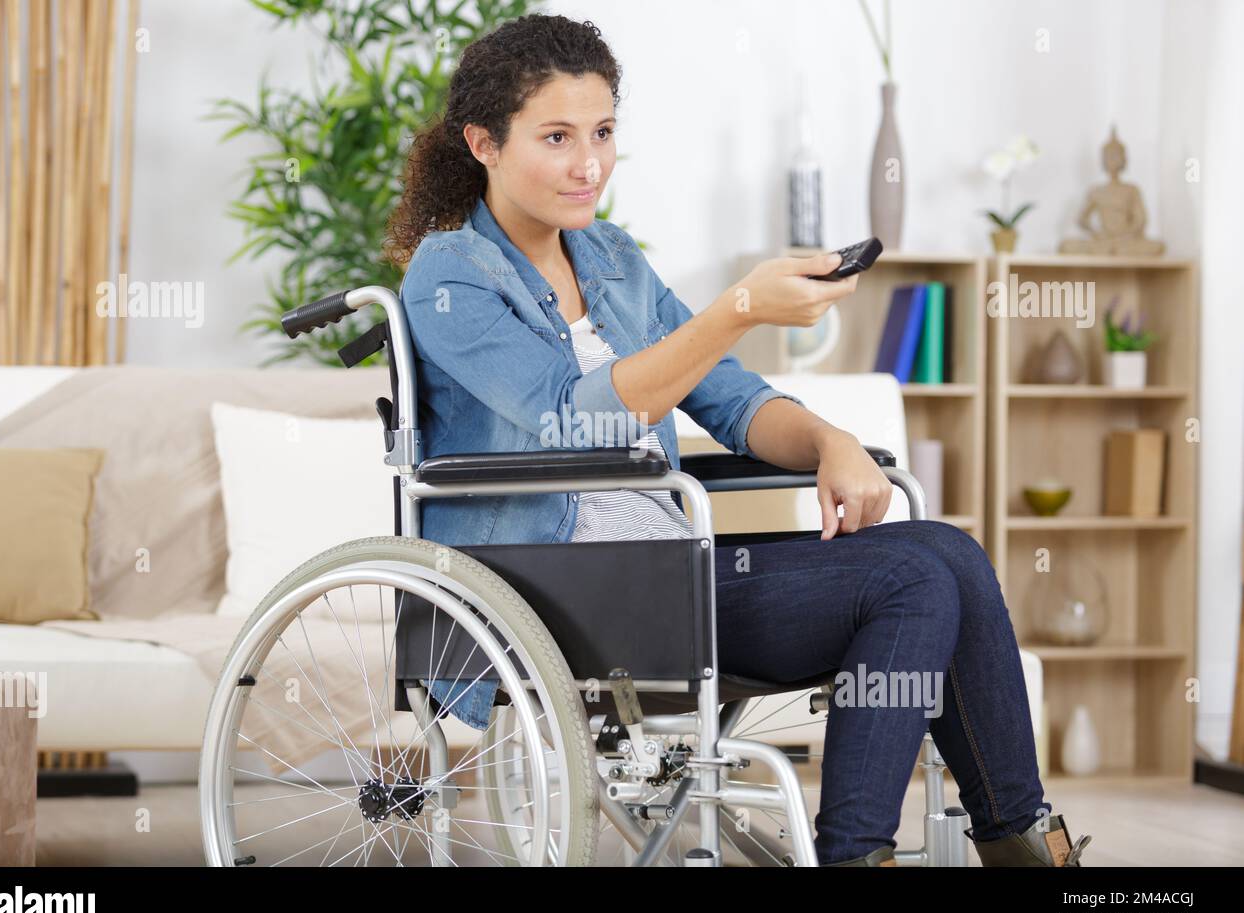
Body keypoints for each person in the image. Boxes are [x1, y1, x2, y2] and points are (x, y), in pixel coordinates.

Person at [385, 13, 1090, 868]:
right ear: (484, 143)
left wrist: (832, 440)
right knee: (911, 576)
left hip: (669, 579)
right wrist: (738, 308)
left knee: (949, 555)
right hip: (552, 594)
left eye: (604, 132)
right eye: (558, 137)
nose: (589, 164)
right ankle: (861, 855)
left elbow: (735, 401)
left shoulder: (611, 260)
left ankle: (1029, 854)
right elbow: (575, 415)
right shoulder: (451, 272)